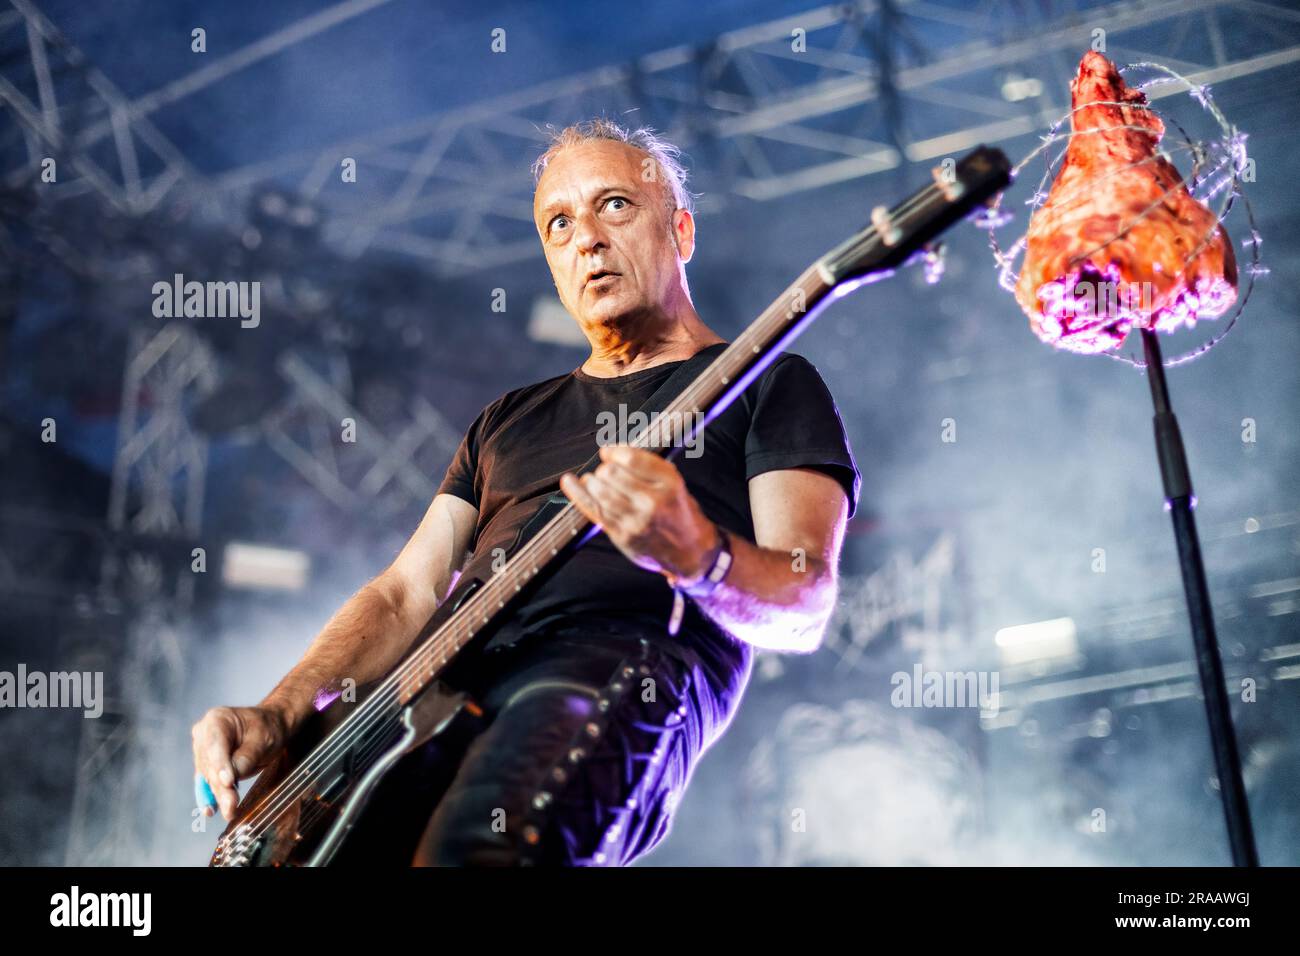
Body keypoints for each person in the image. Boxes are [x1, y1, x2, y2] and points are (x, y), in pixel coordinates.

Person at [191, 118, 861, 866]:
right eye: (559, 223)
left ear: (682, 229)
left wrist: (701, 555)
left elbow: (805, 605)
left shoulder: (767, 382)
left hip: (617, 664)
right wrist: (283, 708)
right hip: (434, 694)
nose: (587, 239)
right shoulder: (504, 420)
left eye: (614, 206)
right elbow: (403, 595)